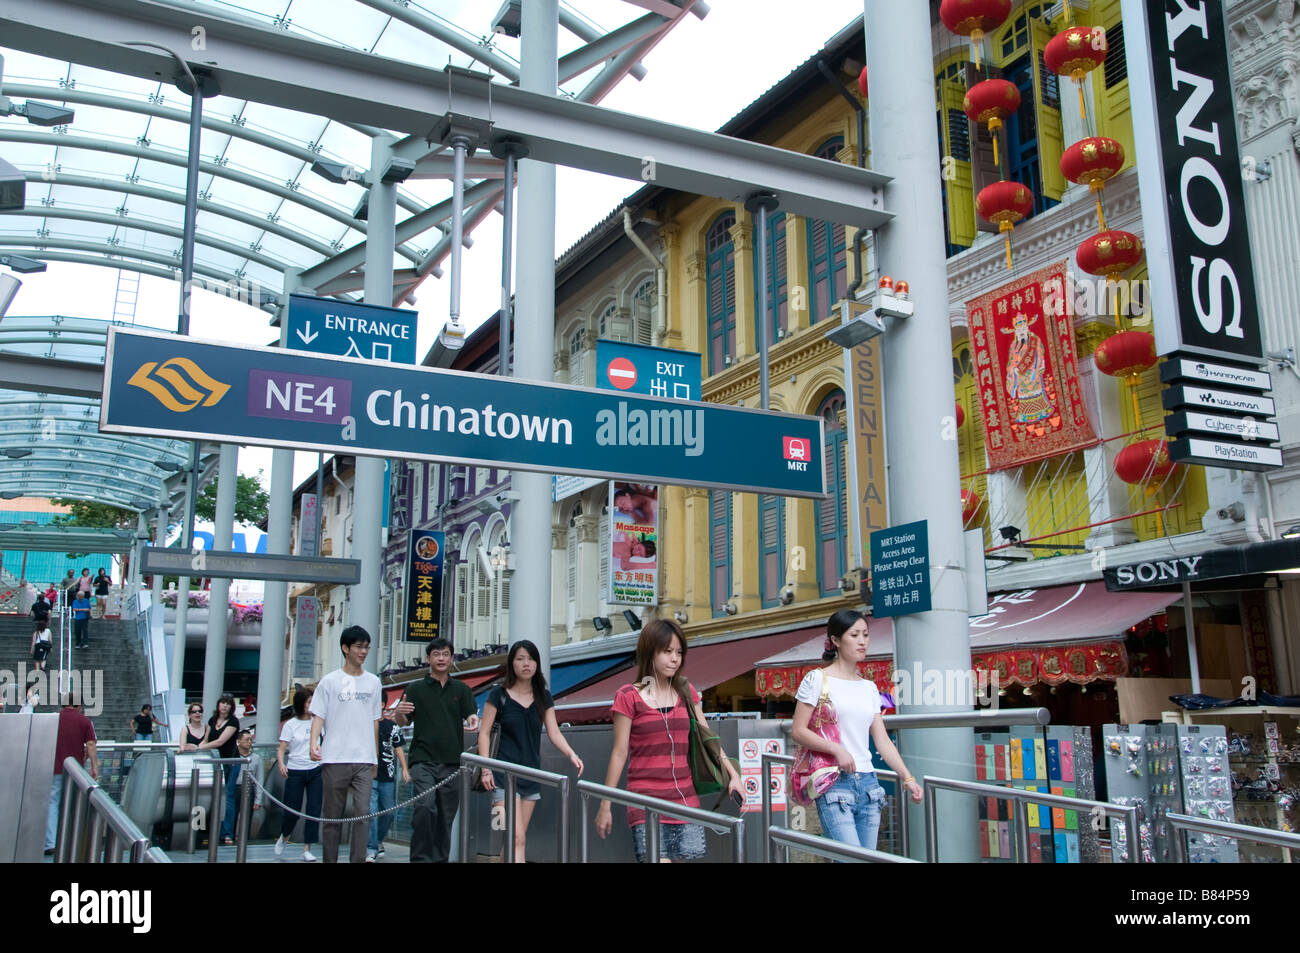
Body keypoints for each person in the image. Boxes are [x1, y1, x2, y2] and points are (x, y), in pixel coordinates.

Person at [595, 619, 742, 863]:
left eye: (679, 652)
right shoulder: (628, 696)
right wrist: (605, 805)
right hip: (644, 802)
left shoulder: (686, 691)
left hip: (685, 801)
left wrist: (733, 775)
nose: (674, 658)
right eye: (667, 651)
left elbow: (709, 739)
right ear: (649, 652)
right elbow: (619, 753)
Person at [791, 609, 924, 853]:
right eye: (854, 635)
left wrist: (908, 777)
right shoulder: (817, 679)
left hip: (869, 784)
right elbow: (798, 731)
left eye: (865, 634)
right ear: (836, 641)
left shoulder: (870, 687)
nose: (862, 641)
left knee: (866, 859)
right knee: (851, 858)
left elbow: (882, 739)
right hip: (835, 783)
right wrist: (835, 749)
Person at [479, 640, 584, 862]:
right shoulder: (498, 695)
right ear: (511, 664)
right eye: (520, 659)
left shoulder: (543, 696)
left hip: (531, 776)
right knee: (517, 838)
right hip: (502, 776)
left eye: (531, 658)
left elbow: (554, 733)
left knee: (515, 839)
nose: (526, 663)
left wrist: (571, 754)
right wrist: (486, 769)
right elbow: (484, 733)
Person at [392, 637, 479, 863]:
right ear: (429, 658)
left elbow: (470, 713)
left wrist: (471, 718)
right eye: (436, 654)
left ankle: (440, 859)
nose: (441, 658)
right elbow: (402, 721)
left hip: (452, 762)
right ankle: (420, 859)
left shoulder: (461, 689)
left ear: (451, 658)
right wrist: (398, 713)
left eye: (445, 654)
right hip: (423, 760)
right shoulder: (415, 688)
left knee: (445, 817)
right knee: (425, 807)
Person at [309, 626, 382, 864]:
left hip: (363, 758)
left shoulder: (373, 682)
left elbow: (375, 721)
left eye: (366, 647)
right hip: (334, 757)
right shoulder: (329, 682)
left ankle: (357, 859)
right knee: (333, 816)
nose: (364, 652)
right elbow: (318, 715)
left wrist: (375, 757)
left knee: (362, 813)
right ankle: (329, 859)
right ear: (345, 648)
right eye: (359, 647)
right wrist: (314, 743)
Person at [45, 692, 97, 854]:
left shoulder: (53, 720)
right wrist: (94, 766)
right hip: (75, 770)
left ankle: (51, 842)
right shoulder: (84, 721)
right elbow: (90, 744)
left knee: (52, 803)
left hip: (54, 768)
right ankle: (70, 840)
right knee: (73, 804)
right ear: (79, 705)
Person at [276, 687, 322, 862]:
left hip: (316, 769)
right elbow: (281, 749)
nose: (311, 705)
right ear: (301, 703)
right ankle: (285, 835)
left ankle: (308, 847)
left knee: (314, 809)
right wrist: (282, 764)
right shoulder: (290, 724)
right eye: (309, 701)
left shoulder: (318, 722)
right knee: (292, 810)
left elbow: (324, 740)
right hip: (295, 769)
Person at [367, 713, 409, 862]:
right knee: (371, 813)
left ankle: (377, 840)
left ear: (383, 705)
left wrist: (404, 768)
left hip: (387, 775)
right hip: (368, 775)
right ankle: (371, 848)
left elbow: (398, 748)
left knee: (389, 811)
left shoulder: (391, 726)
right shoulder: (365, 723)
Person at [220, 729, 264, 845]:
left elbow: (259, 779)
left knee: (247, 817)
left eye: (251, 740)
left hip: (249, 788)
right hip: (234, 789)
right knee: (231, 814)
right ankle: (229, 836)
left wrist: (258, 799)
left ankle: (245, 839)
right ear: (238, 742)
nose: (249, 742)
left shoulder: (256, 758)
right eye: (246, 740)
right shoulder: (233, 756)